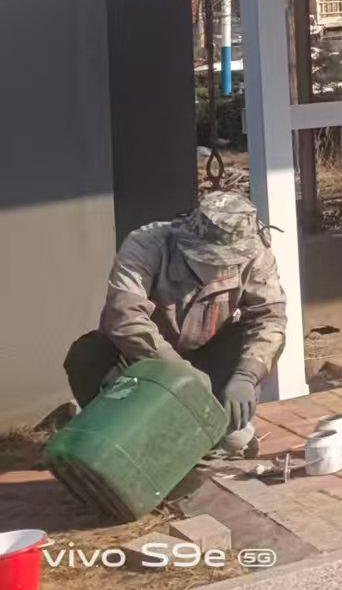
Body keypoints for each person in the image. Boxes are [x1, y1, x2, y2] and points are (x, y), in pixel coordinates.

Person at [62, 191, 287, 455]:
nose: (215, 269)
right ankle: (115, 429)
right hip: (142, 363)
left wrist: (246, 376)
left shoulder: (256, 252)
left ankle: (210, 429)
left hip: (205, 362)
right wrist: (178, 372)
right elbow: (124, 316)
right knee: (87, 355)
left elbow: (269, 318)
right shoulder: (145, 244)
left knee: (244, 357)